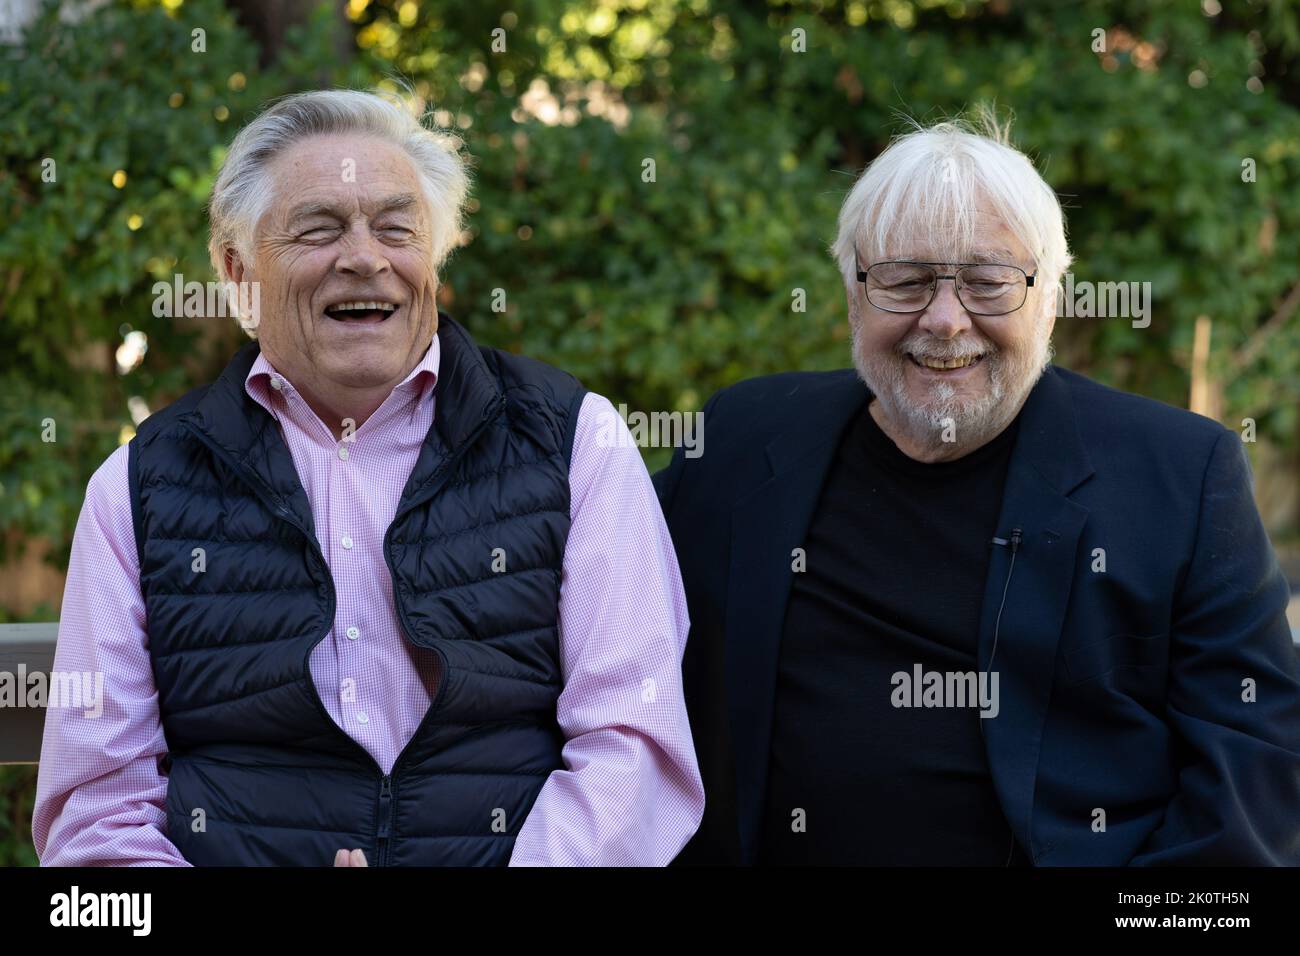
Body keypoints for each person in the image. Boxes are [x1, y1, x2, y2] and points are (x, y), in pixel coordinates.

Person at [34, 89, 703, 866]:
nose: (365, 257)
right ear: (235, 269)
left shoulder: (575, 441)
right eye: (319, 229)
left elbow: (633, 742)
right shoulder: (139, 486)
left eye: (397, 228)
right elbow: (97, 809)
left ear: (438, 256)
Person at [655, 115, 1300, 866]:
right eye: (905, 279)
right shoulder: (742, 441)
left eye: (989, 283)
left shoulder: (1181, 477)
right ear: (851, 295)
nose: (946, 320)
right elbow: (593, 617)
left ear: (1051, 299)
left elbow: (1256, 769)